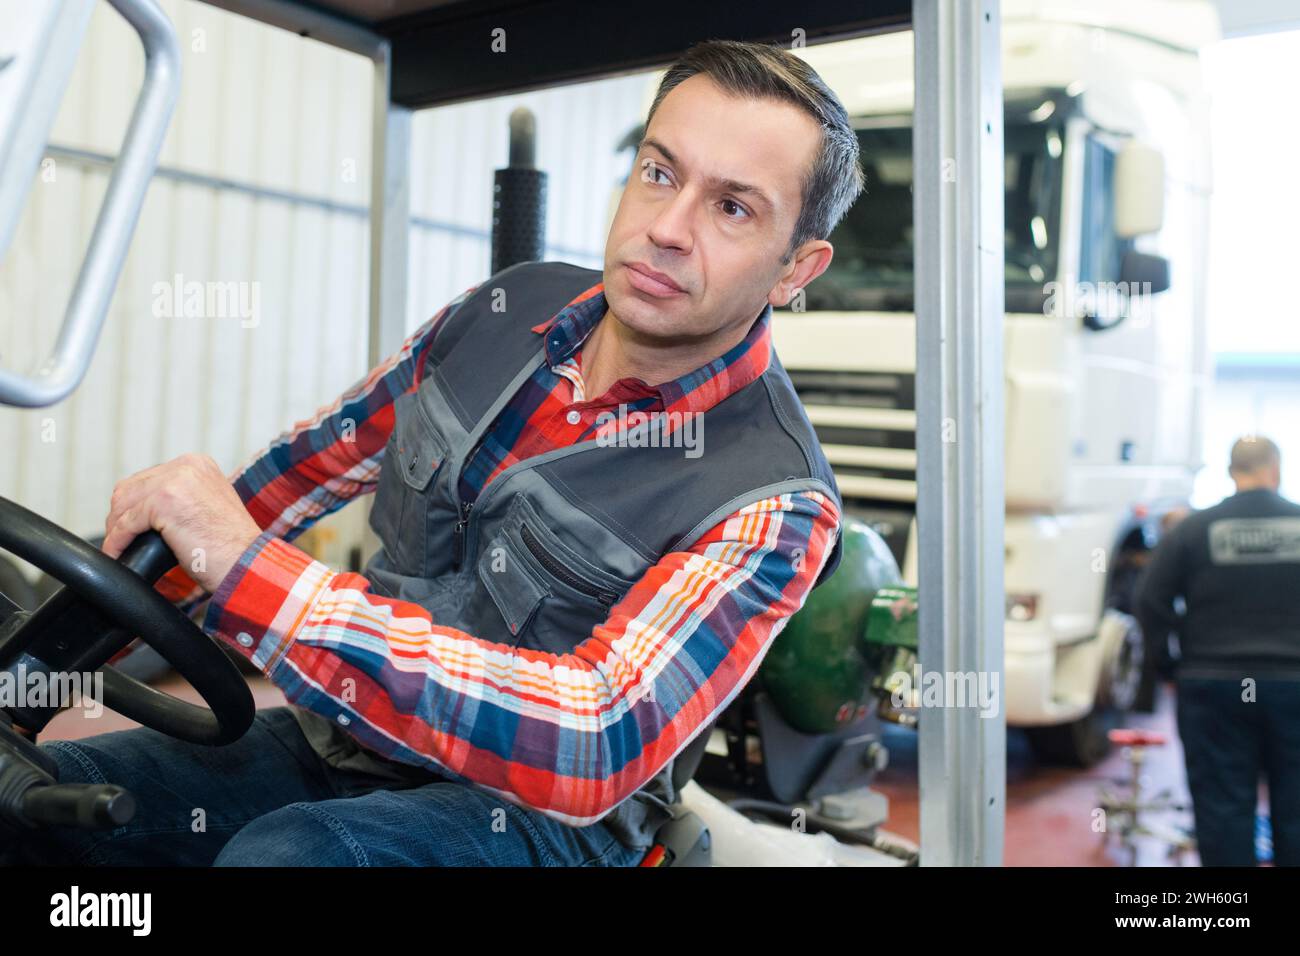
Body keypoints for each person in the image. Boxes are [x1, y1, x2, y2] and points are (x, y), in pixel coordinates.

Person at [1, 39, 860, 867]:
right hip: (345, 737)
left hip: (545, 824)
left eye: (732, 207)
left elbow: (595, 741)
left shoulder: (774, 499)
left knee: (294, 857)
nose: (668, 227)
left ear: (797, 269)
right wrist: (41, 664)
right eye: (659, 171)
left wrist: (247, 569)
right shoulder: (501, 309)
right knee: (35, 800)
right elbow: (290, 479)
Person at [1136, 435, 1300, 866]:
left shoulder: (1193, 530)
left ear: (1231, 473)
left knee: (1222, 810)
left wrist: (1169, 665)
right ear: (1276, 470)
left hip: (1214, 685)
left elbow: (1149, 600)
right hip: (1293, 686)